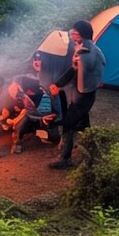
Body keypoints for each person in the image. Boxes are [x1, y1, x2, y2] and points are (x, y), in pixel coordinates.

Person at [48, 20, 105, 169]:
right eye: (72, 33)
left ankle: (65, 158)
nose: (73, 35)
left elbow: (84, 67)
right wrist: (58, 84)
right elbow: (74, 69)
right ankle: (95, 152)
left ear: (83, 34)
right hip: (81, 93)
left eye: (76, 33)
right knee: (84, 125)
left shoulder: (87, 52)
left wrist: (79, 58)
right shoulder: (83, 48)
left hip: (84, 95)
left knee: (68, 124)